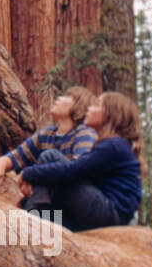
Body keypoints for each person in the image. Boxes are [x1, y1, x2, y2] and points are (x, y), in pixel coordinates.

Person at [15, 91, 144, 232]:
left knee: (50, 157)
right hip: (107, 214)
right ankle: (40, 214)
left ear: (110, 115)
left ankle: (34, 216)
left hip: (108, 213)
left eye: (96, 105)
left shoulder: (113, 145)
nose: (89, 108)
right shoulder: (114, 145)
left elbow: (73, 170)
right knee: (55, 183)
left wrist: (29, 173)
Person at [0, 86, 96, 189]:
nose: (59, 98)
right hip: (55, 196)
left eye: (67, 96)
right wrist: (1, 163)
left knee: (49, 156)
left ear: (80, 106)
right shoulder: (47, 134)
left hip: (79, 196)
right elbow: (18, 156)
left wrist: (32, 175)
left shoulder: (85, 133)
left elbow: (80, 172)